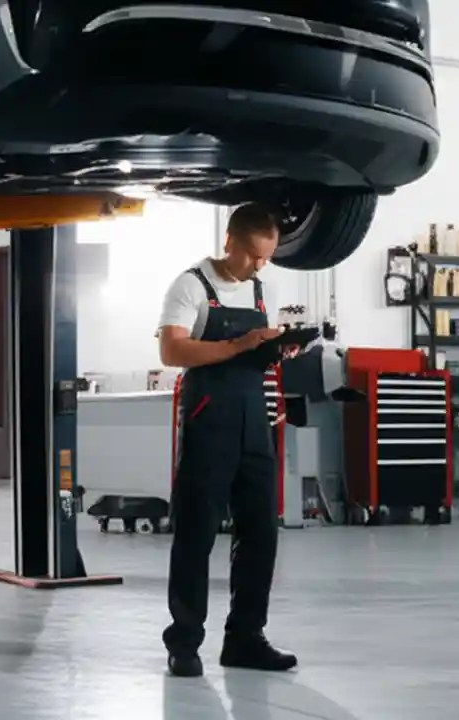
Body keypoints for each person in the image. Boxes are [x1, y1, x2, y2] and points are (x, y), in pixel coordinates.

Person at [156, 203, 297, 678]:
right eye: (253, 255)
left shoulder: (263, 289)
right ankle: (184, 642)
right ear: (229, 242)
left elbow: (256, 353)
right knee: (196, 532)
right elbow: (171, 349)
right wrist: (238, 345)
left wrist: (277, 349)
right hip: (207, 416)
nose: (260, 265)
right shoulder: (191, 285)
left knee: (260, 532)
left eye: (267, 257)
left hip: (254, 416)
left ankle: (245, 639)